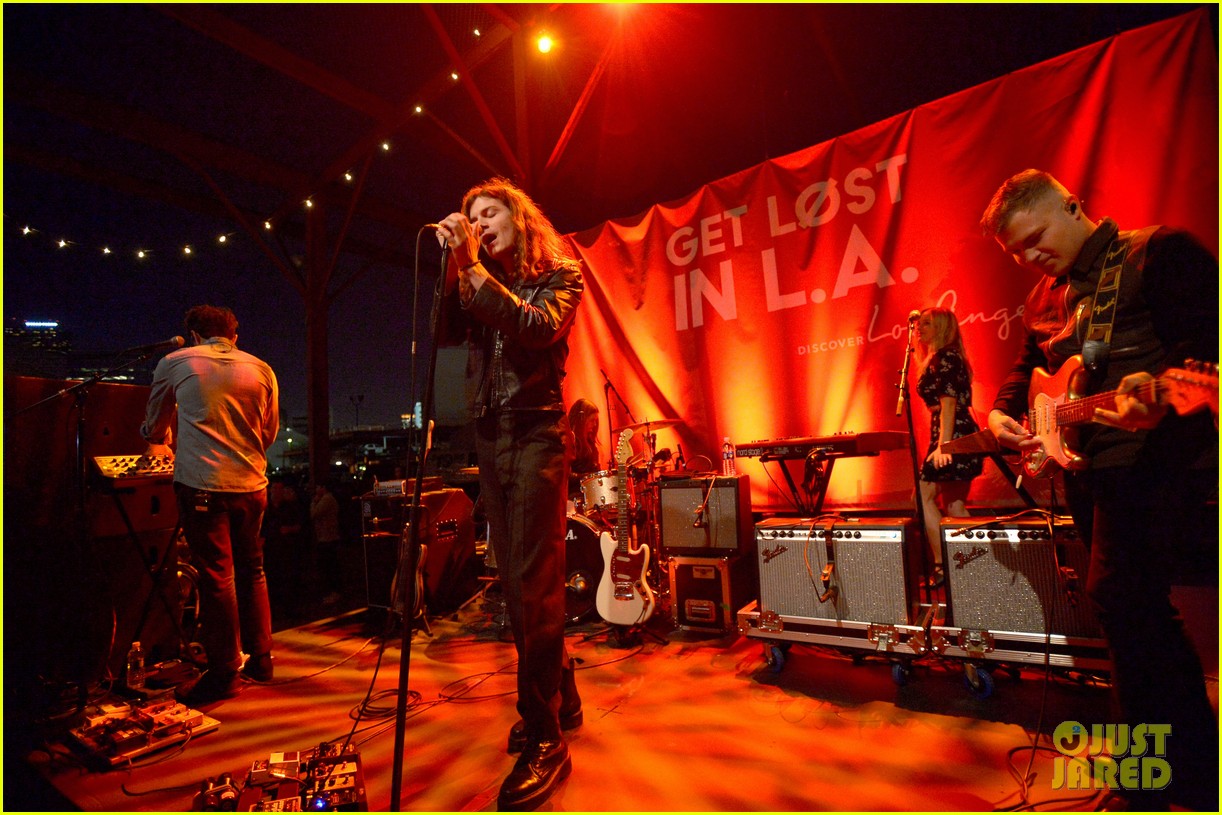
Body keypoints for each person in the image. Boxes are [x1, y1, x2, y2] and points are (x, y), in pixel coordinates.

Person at [980, 169, 1218, 810]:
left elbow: (1207, 353)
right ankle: (1176, 769)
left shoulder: (1159, 252)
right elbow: (1027, 367)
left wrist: (1163, 403)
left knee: (1123, 602)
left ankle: (1172, 778)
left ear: (1071, 204)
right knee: (1130, 615)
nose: (1031, 257)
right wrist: (1005, 412)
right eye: (1017, 252)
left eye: (1035, 239)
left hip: (1156, 462)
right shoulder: (1045, 297)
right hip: (1090, 472)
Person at [435, 177, 584, 811]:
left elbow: (534, 329)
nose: (481, 223)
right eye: (473, 217)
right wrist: (453, 264)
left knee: (532, 581)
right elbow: (444, 332)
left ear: (519, 219)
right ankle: (563, 696)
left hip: (536, 433)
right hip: (490, 436)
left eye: (490, 213)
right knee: (517, 580)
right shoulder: (473, 283)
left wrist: (473, 269)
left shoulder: (561, 275)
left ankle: (547, 737)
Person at [140, 305, 279, 704]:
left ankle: (224, 672)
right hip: (252, 485)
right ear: (234, 336)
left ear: (195, 335)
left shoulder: (175, 361)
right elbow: (268, 432)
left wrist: (157, 436)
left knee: (218, 577)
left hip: (203, 484)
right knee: (253, 569)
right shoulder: (262, 368)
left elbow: (156, 424)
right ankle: (262, 660)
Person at [914, 307, 983, 588]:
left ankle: (944, 565)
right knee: (954, 504)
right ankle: (971, 565)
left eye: (927, 324)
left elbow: (949, 403)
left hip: (953, 433)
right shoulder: (941, 357)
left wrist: (945, 446)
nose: (920, 329)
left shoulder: (946, 357)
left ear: (942, 327)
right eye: (919, 324)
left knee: (924, 496)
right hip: (952, 431)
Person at [310, 480, 343, 607]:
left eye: (318, 486)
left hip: (327, 538)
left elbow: (314, 514)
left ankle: (334, 592)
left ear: (323, 487)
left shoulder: (326, 499)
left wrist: (313, 502)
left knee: (330, 567)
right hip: (329, 537)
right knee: (330, 566)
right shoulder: (329, 499)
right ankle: (333, 592)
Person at [567, 397, 603, 505]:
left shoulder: (590, 443)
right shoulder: (570, 441)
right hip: (575, 495)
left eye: (596, 421)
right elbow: (566, 475)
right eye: (592, 420)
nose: (595, 425)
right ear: (581, 420)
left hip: (590, 492)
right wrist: (589, 477)